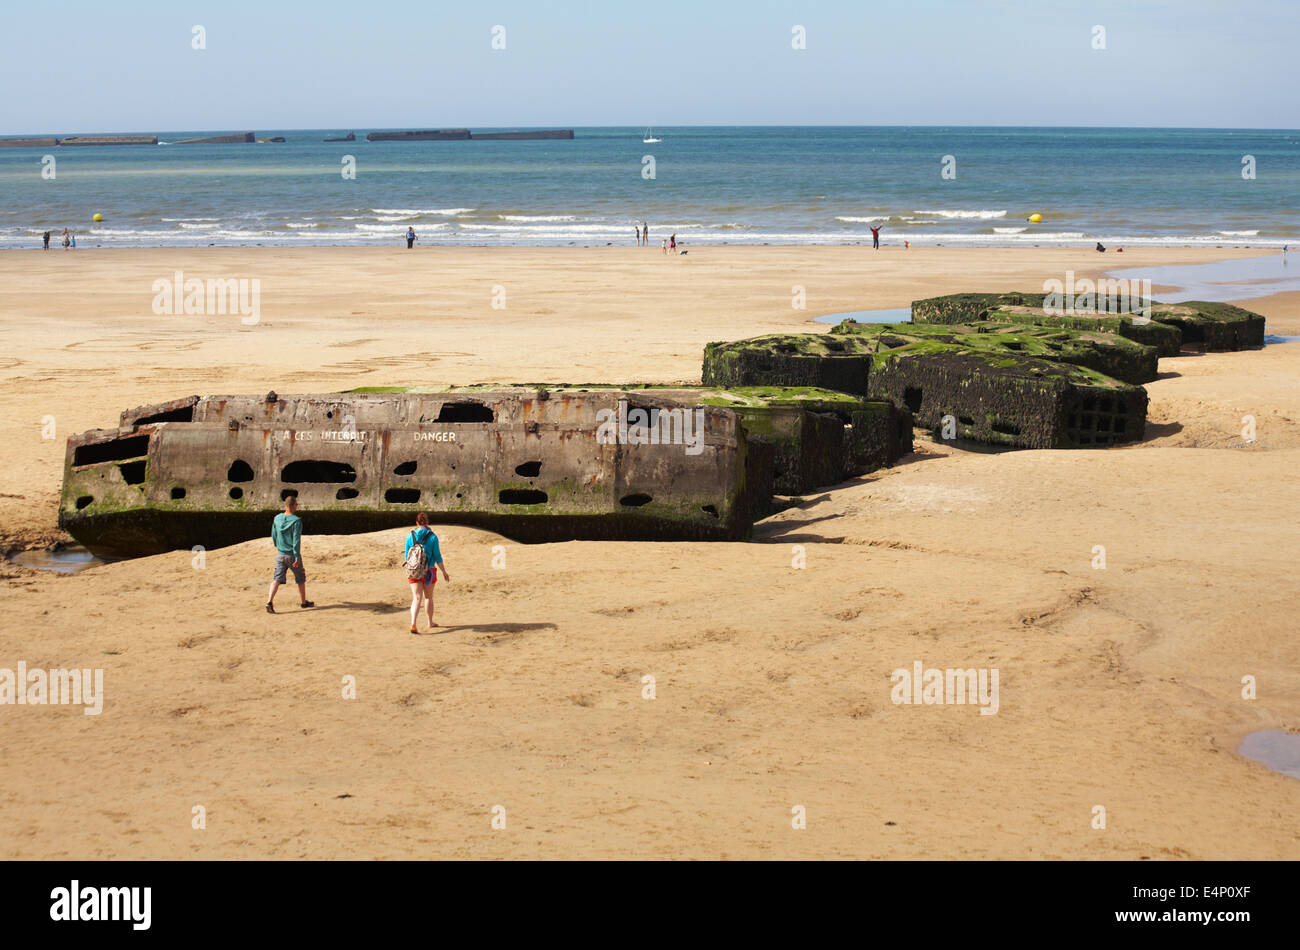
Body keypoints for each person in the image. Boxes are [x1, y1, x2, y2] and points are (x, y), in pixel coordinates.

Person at [404, 512, 449, 634]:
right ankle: (430, 622)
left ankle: (413, 623)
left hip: (414, 570)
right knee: (428, 597)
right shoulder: (433, 537)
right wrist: (444, 571)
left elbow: (406, 555)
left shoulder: (410, 536)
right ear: (427, 522)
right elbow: (437, 556)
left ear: (417, 523)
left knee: (416, 598)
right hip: (429, 571)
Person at [266, 495, 313, 612]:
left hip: (280, 554)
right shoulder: (296, 521)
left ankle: (269, 601)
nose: (297, 507)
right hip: (292, 555)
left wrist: (277, 546)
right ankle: (303, 602)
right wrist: (297, 556)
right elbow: (296, 540)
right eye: (296, 505)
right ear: (292, 506)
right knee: (300, 578)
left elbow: (274, 534)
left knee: (276, 579)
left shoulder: (277, 518)